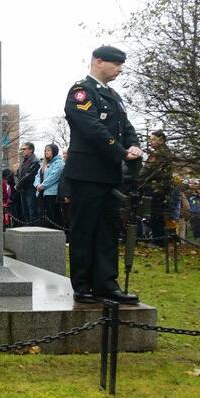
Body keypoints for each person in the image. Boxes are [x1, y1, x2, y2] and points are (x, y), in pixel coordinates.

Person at [64, 45, 142, 305]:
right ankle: (83, 285)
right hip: (86, 174)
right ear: (99, 61)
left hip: (108, 175)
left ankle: (106, 284)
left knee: (107, 231)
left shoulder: (113, 96)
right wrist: (120, 152)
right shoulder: (81, 92)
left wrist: (134, 145)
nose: (120, 69)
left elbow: (126, 127)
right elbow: (91, 128)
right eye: (116, 63)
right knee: (84, 230)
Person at [34, 143, 65, 230]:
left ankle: (59, 233)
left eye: (48, 150)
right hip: (42, 193)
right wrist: (37, 185)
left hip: (52, 193)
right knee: (45, 216)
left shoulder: (59, 163)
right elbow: (37, 176)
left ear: (54, 151)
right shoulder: (43, 163)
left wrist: (42, 185)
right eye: (45, 150)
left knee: (54, 215)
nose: (46, 152)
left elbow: (53, 177)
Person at [14, 142, 40, 226]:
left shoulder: (35, 161)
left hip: (30, 189)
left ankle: (33, 231)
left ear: (31, 150)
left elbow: (28, 176)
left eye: (24, 149)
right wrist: (17, 184)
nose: (22, 151)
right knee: (25, 211)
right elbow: (19, 175)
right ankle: (26, 230)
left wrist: (18, 186)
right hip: (22, 189)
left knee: (31, 210)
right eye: (21, 149)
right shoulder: (23, 161)